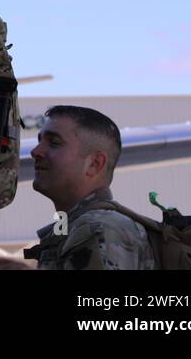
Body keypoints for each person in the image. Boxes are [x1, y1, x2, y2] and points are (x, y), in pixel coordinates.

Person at [24, 105, 156, 270]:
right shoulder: (70, 227)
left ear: (94, 164)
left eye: (54, 143)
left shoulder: (97, 229)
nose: (36, 151)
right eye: (39, 141)